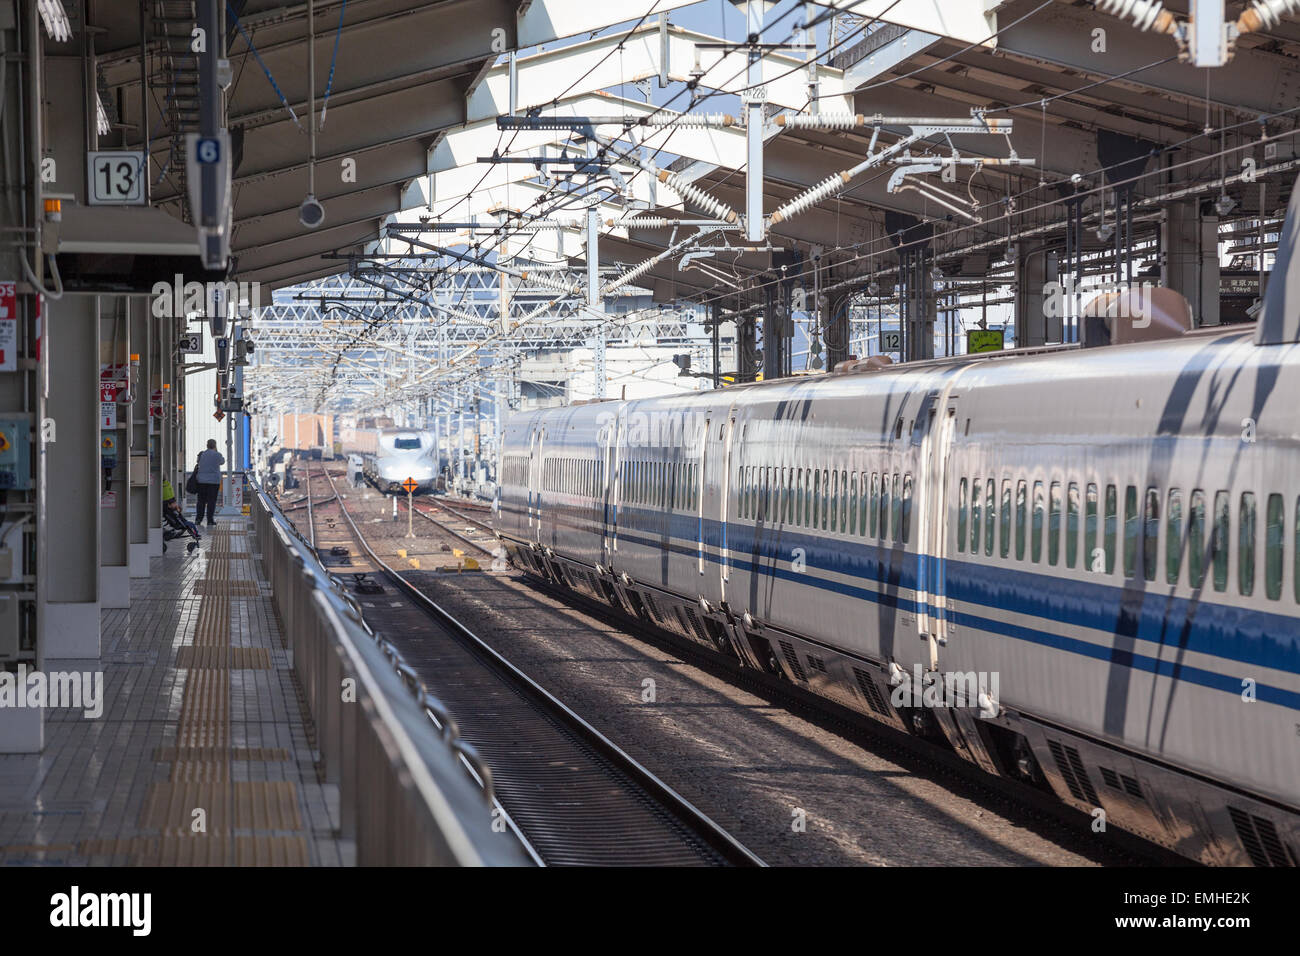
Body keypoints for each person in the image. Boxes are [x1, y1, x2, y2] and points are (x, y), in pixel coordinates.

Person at [194, 439, 225, 527]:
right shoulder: (217, 455)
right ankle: (210, 520)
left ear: (207, 445)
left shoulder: (202, 454)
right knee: (211, 501)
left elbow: (198, 462)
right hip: (213, 482)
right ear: (215, 445)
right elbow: (222, 461)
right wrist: (216, 450)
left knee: (201, 501)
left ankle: (198, 519)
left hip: (202, 481)